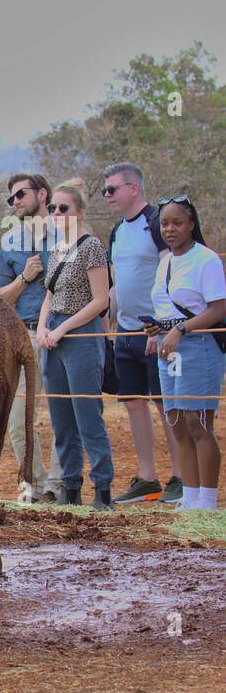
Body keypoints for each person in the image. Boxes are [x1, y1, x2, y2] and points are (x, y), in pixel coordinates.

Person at [104, 161, 183, 504]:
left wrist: (160, 327)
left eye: (112, 189)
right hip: (126, 331)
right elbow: (120, 280)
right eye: (104, 190)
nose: (106, 196)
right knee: (134, 403)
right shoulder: (117, 230)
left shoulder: (156, 222)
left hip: (157, 332)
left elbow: (170, 274)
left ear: (133, 188)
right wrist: (111, 316)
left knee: (166, 404)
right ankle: (147, 478)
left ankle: (180, 477)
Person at [142, 196, 226, 511]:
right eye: (165, 223)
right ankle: (189, 496)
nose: (170, 229)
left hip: (199, 345)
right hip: (169, 348)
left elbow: (219, 308)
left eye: (177, 222)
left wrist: (181, 329)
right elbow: (165, 308)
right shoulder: (165, 262)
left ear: (191, 224)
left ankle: (207, 502)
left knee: (197, 422)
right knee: (176, 421)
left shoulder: (205, 259)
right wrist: (158, 328)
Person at [36, 180, 114, 509]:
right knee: (61, 418)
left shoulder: (91, 247)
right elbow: (49, 295)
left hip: (80, 332)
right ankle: (70, 489)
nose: (55, 212)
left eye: (63, 208)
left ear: (79, 212)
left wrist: (62, 329)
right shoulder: (57, 250)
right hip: (53, 333)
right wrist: (42, 328)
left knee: (87, 417)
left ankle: (102, 491)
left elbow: (100, 301)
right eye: (52, 207)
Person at [0, 174, 65, 502]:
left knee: (66, 412)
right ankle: (33, 486)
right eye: (11, 198)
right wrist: (25, 277)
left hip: (66, 333)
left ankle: (60, 486)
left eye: (21, 194)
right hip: (23, 334)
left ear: (42, 194)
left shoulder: (68, 235)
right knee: (19, 419)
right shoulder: (10, 244)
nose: (16, 201)